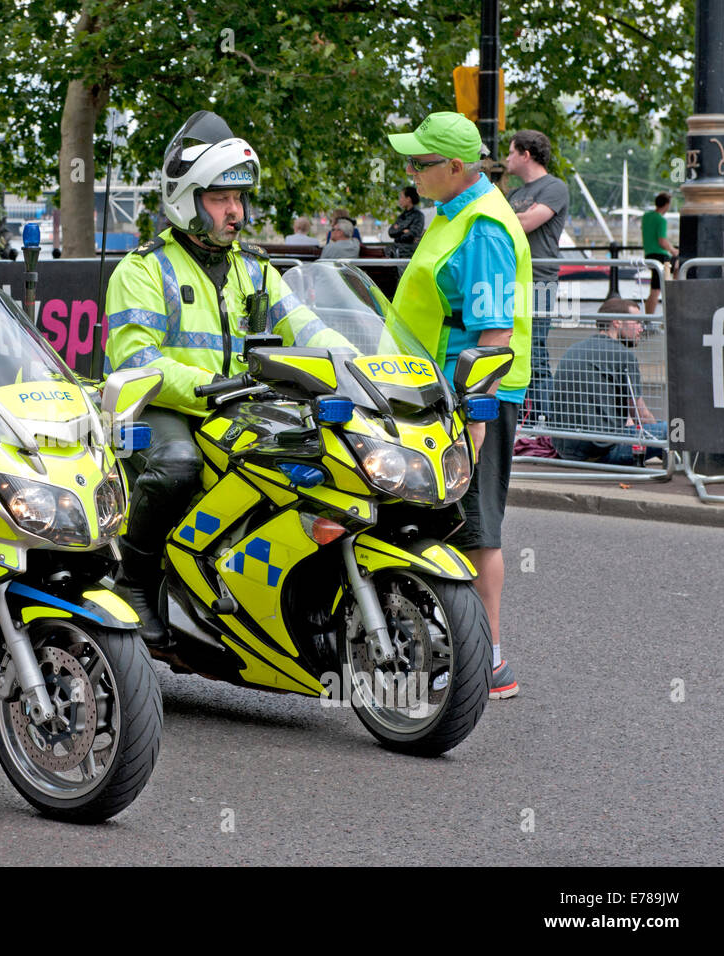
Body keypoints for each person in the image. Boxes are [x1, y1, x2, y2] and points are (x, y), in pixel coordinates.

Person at [103, 112, 348, 644]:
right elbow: (135, 362)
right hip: (162, 407)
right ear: (188, 200)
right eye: (220, 198)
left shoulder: (254, 268)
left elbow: (307, 326)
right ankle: (134, 580)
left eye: (238, 199)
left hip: (241, 406)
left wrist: (357, 367)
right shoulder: (144, 270)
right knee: (176, 466)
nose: (235, 211)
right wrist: (208, 384)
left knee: (317, 460)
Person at [387, 111, 532, 701]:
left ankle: (488, 662)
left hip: (471, 398)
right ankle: (454, 648)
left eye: (421, 163)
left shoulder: (484, 227)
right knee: (445, 520)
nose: (410, 170)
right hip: (437, 392)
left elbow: (493, 335)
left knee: (475, 528)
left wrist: (473, 421)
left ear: (455, 166)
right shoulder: (456, 213)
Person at [548, 297, 665, 465]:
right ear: (617, 322)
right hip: (601, 451)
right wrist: (664, 443)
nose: (641, 328)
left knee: (654, 429)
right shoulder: (624, 356)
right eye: (637, 322)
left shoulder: (574, 349)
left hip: (567, 450)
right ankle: (681, 462)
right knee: (675, 429)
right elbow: (642, 416)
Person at [505, 129, 569, 422]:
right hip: (510, 278)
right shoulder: (515, 194)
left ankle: (545, 419)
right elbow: (502, 223)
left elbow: (526, 223)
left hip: (539, 278)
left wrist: (513, 218)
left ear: (525, 155)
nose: (506, 158)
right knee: (511, 346)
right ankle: (523, 417)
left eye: (510, 152)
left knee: (536, 350)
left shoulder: (554, 187)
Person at [641, 193, 677, 315]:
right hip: (661, 257)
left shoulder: (646, 216)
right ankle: (676, 289)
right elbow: (662, 241)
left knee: (655, 289)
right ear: (666, 205)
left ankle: (649, 319)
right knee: (657, 289)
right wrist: (673, 250)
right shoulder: (661, 220)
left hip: (649, 255)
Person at [387, 186, 425, 258]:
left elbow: (412, 235)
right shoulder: (401, 216)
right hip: (396, 253)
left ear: (408, 199)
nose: (400, 200)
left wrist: (398, 232)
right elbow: (391, 232)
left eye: (401, 197)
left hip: (409, 255)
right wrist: (403, 231)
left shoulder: (418, 216)